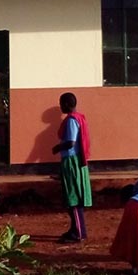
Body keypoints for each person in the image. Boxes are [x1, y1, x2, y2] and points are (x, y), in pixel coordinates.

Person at [51, 92, 92, 243]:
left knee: (73, 197)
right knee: (73, 196)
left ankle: (79, 232)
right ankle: (75, 229)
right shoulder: (80, 118)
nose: (60, 106)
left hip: (72, 161)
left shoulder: (71, 120)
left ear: (67, 105)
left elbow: (71, 142)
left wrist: (57, 148)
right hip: (77, 160)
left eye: (61, 103)